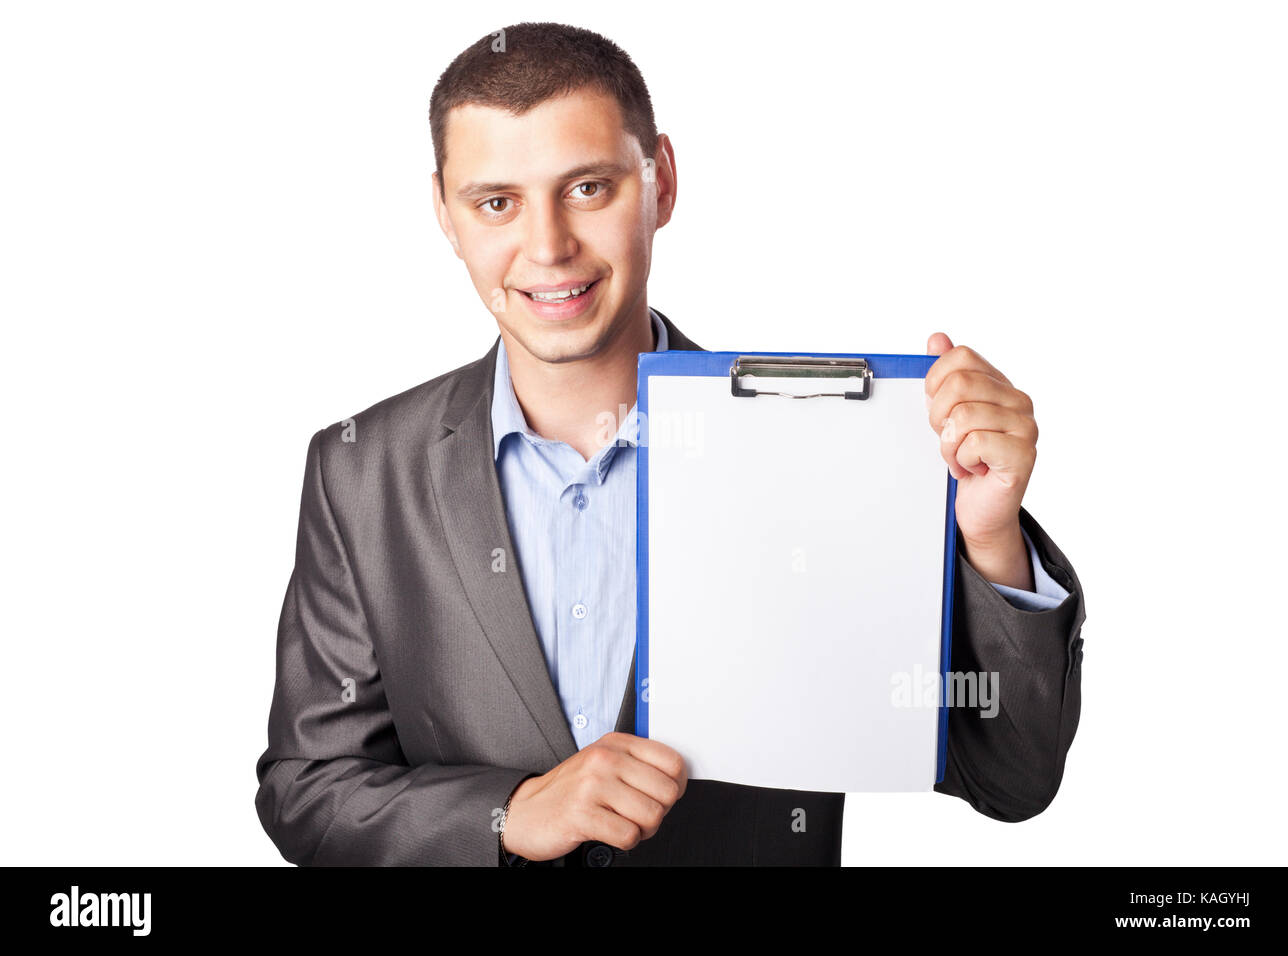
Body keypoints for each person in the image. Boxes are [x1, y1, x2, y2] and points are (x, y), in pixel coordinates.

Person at [254, 21, 1086, 866]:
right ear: (445, 213)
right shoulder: (359, 473)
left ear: (661, 183)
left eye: (587, 188)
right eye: (496, 202)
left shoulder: (827, 453)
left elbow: (1014, 779)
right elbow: (307, 790)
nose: (548, 247)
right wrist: (507, 815)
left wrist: (989, 537)